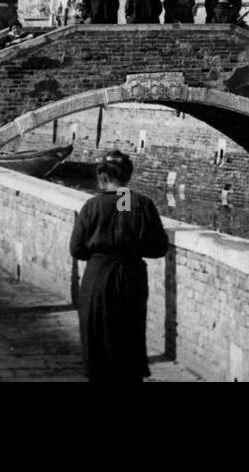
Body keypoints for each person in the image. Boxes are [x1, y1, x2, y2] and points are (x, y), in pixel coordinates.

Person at [69, 150, 169, 382]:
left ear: (102, 175)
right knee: (129, 334)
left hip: (98, 278)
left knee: (97, 335)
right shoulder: (143, 204)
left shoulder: (92, 206)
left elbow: (77, 249)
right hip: (131, 277)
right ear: (128, 175)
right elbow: (159, 248)